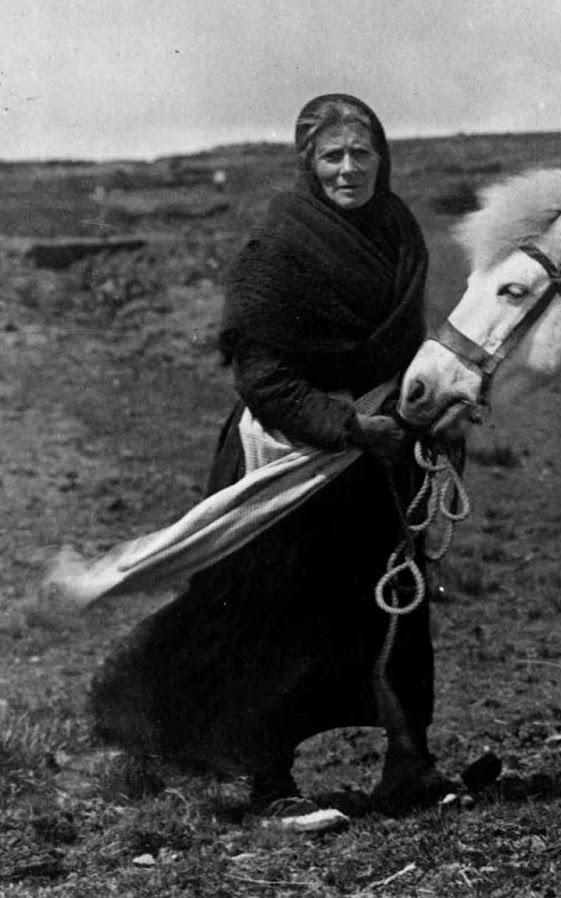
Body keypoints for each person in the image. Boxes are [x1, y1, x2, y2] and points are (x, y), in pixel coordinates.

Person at [89, 94, 450, 814]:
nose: (350, 169)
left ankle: (409, 764)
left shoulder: (400, 229)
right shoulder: (280, 243)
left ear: (383, 156)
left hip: (380, 448)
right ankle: (268, 785)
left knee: (394, 609)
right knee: (277, 617)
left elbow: (409, 342)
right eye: (333, 156)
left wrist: (424, 414)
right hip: (292, 450)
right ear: (309, 164)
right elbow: (262, 374)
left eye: (363, 153)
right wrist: (347, 427)